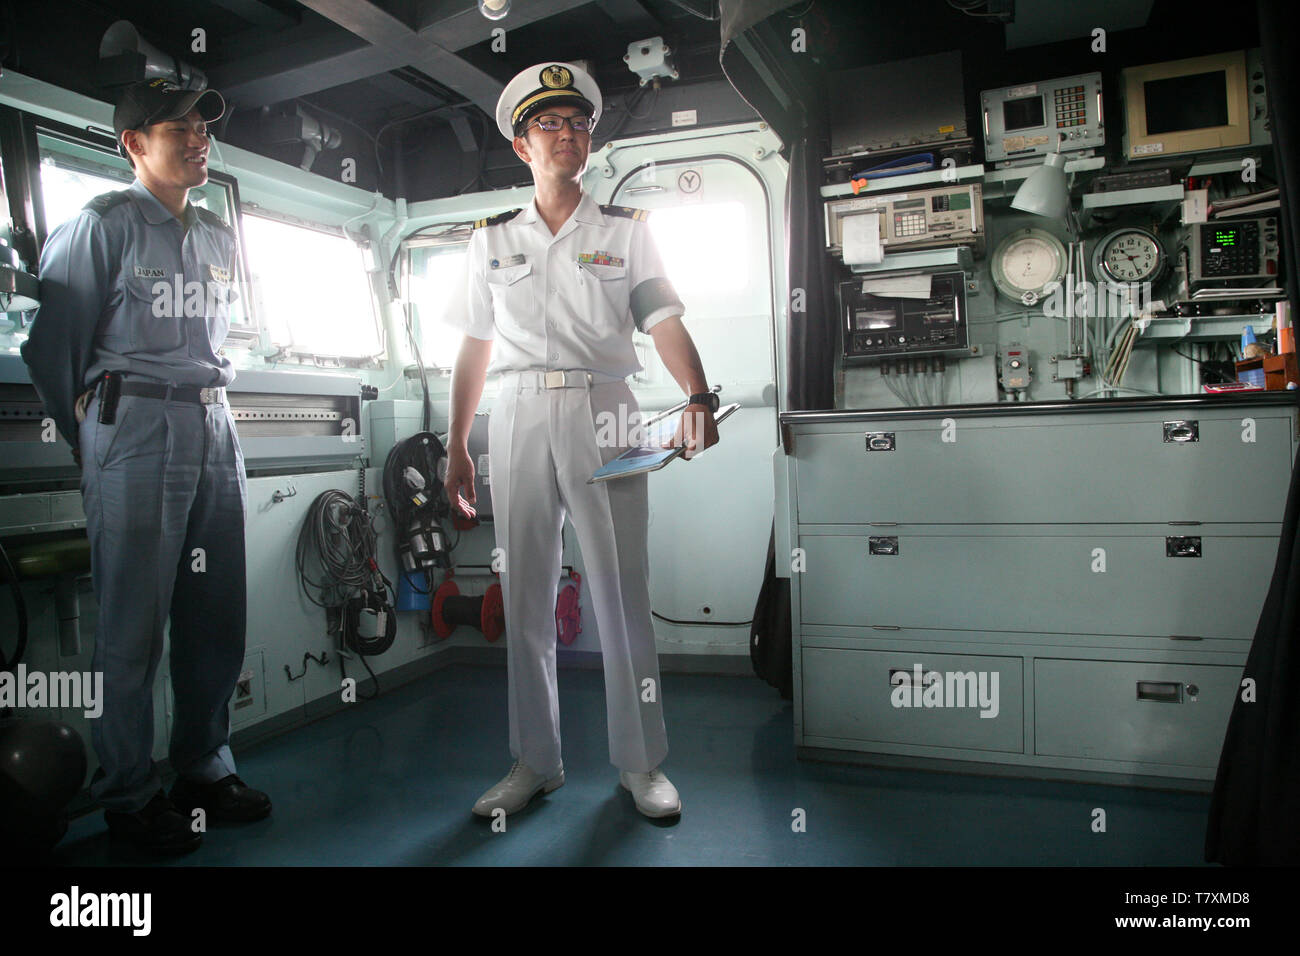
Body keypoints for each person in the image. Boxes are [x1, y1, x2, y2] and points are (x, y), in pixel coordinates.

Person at [442, 61, 720, 820]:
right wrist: (456, 443)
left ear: (589, 140)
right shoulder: (490, 240)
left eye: (577, 123)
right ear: (520, 144)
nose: (566, 135)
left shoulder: (628, 232)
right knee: (526, 591)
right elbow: (473, 346)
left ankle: (642, 765)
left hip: (608, 408)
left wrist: (697, 395)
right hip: (519, 411)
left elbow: (663, 319)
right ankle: (535, 760)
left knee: (622, 594)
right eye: (547, 124)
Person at [20, 78, 270, 854]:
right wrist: (94, 433)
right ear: (133, 143)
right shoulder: (100, 228)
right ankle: (129, 792)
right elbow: (52, 349)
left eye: (202, 126)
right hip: (132, 426)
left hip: (210, 420)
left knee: (215, 613)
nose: (198, 138)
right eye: (178, 127)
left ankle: (204, 765)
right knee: (131, 627)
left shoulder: (219, 235)